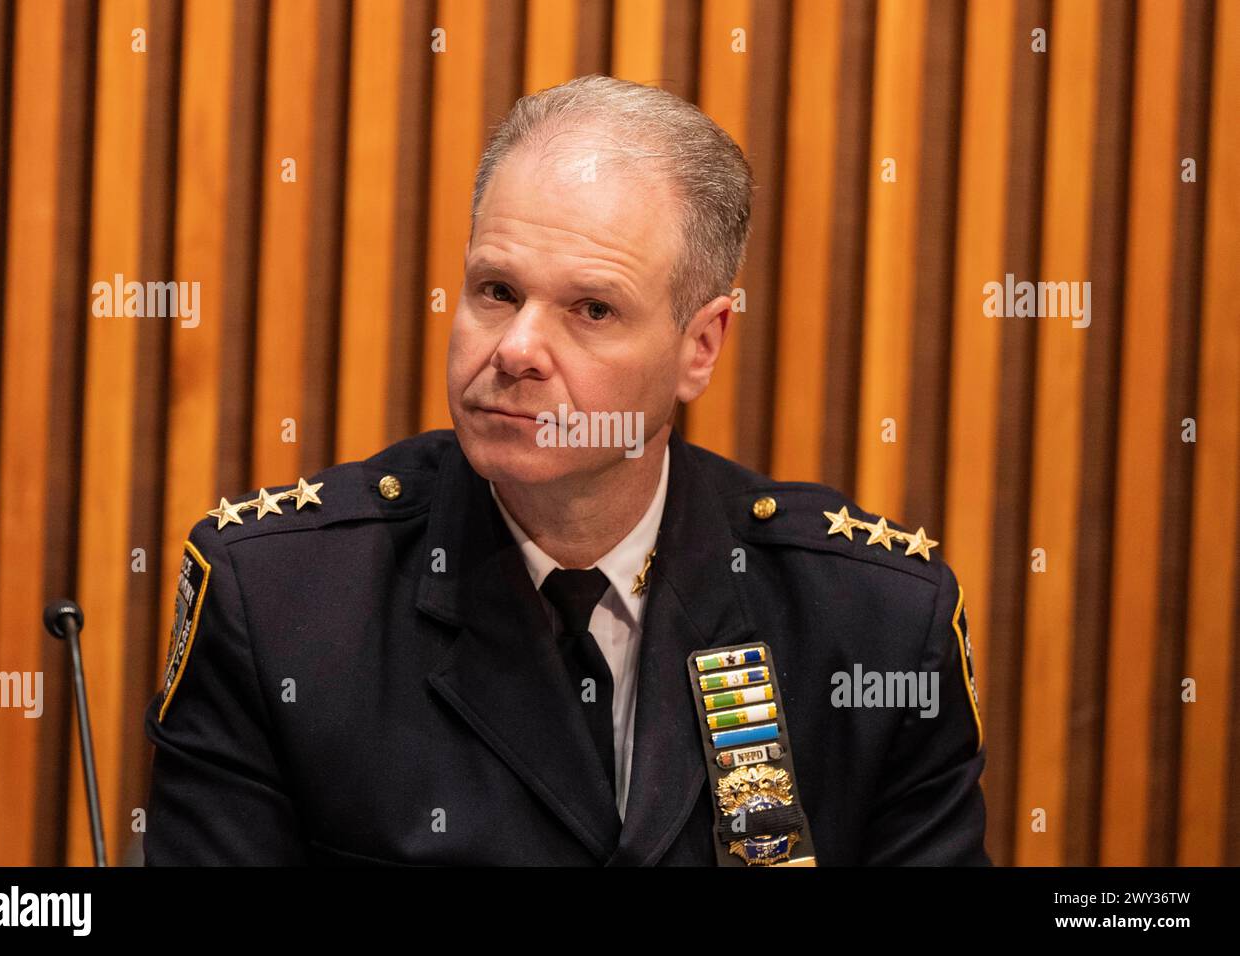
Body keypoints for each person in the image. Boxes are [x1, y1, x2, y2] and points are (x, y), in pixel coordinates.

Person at [143, 74, 988, 866]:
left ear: (701, 346)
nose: (514, 350)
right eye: (497, 290)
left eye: (592, 309)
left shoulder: (873, 624)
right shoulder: (284, 600)